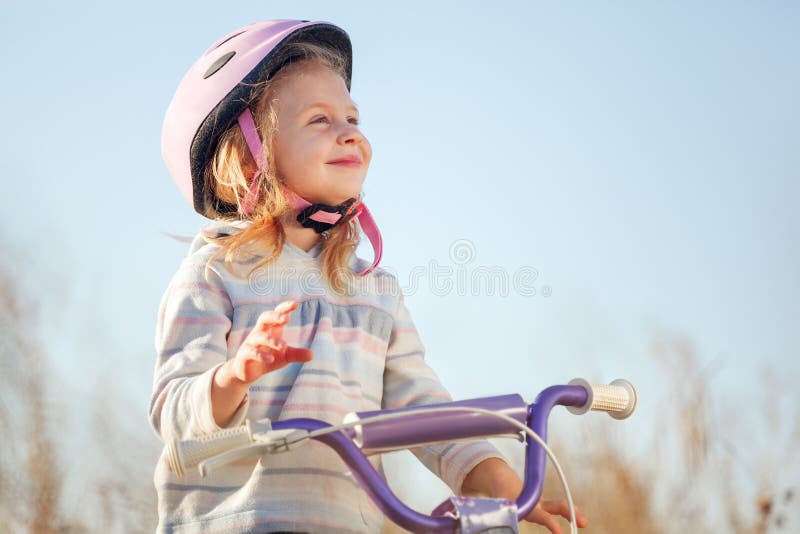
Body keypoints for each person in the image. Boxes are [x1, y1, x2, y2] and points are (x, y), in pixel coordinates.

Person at [151, 19, 588, 534]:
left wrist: (501, 485)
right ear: (252, 158)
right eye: (320, 120)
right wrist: (234, 376)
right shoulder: (215, 272)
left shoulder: (376, 292)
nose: (350, 132)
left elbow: (424, 410)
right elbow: (174, 413)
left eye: (352, 117)